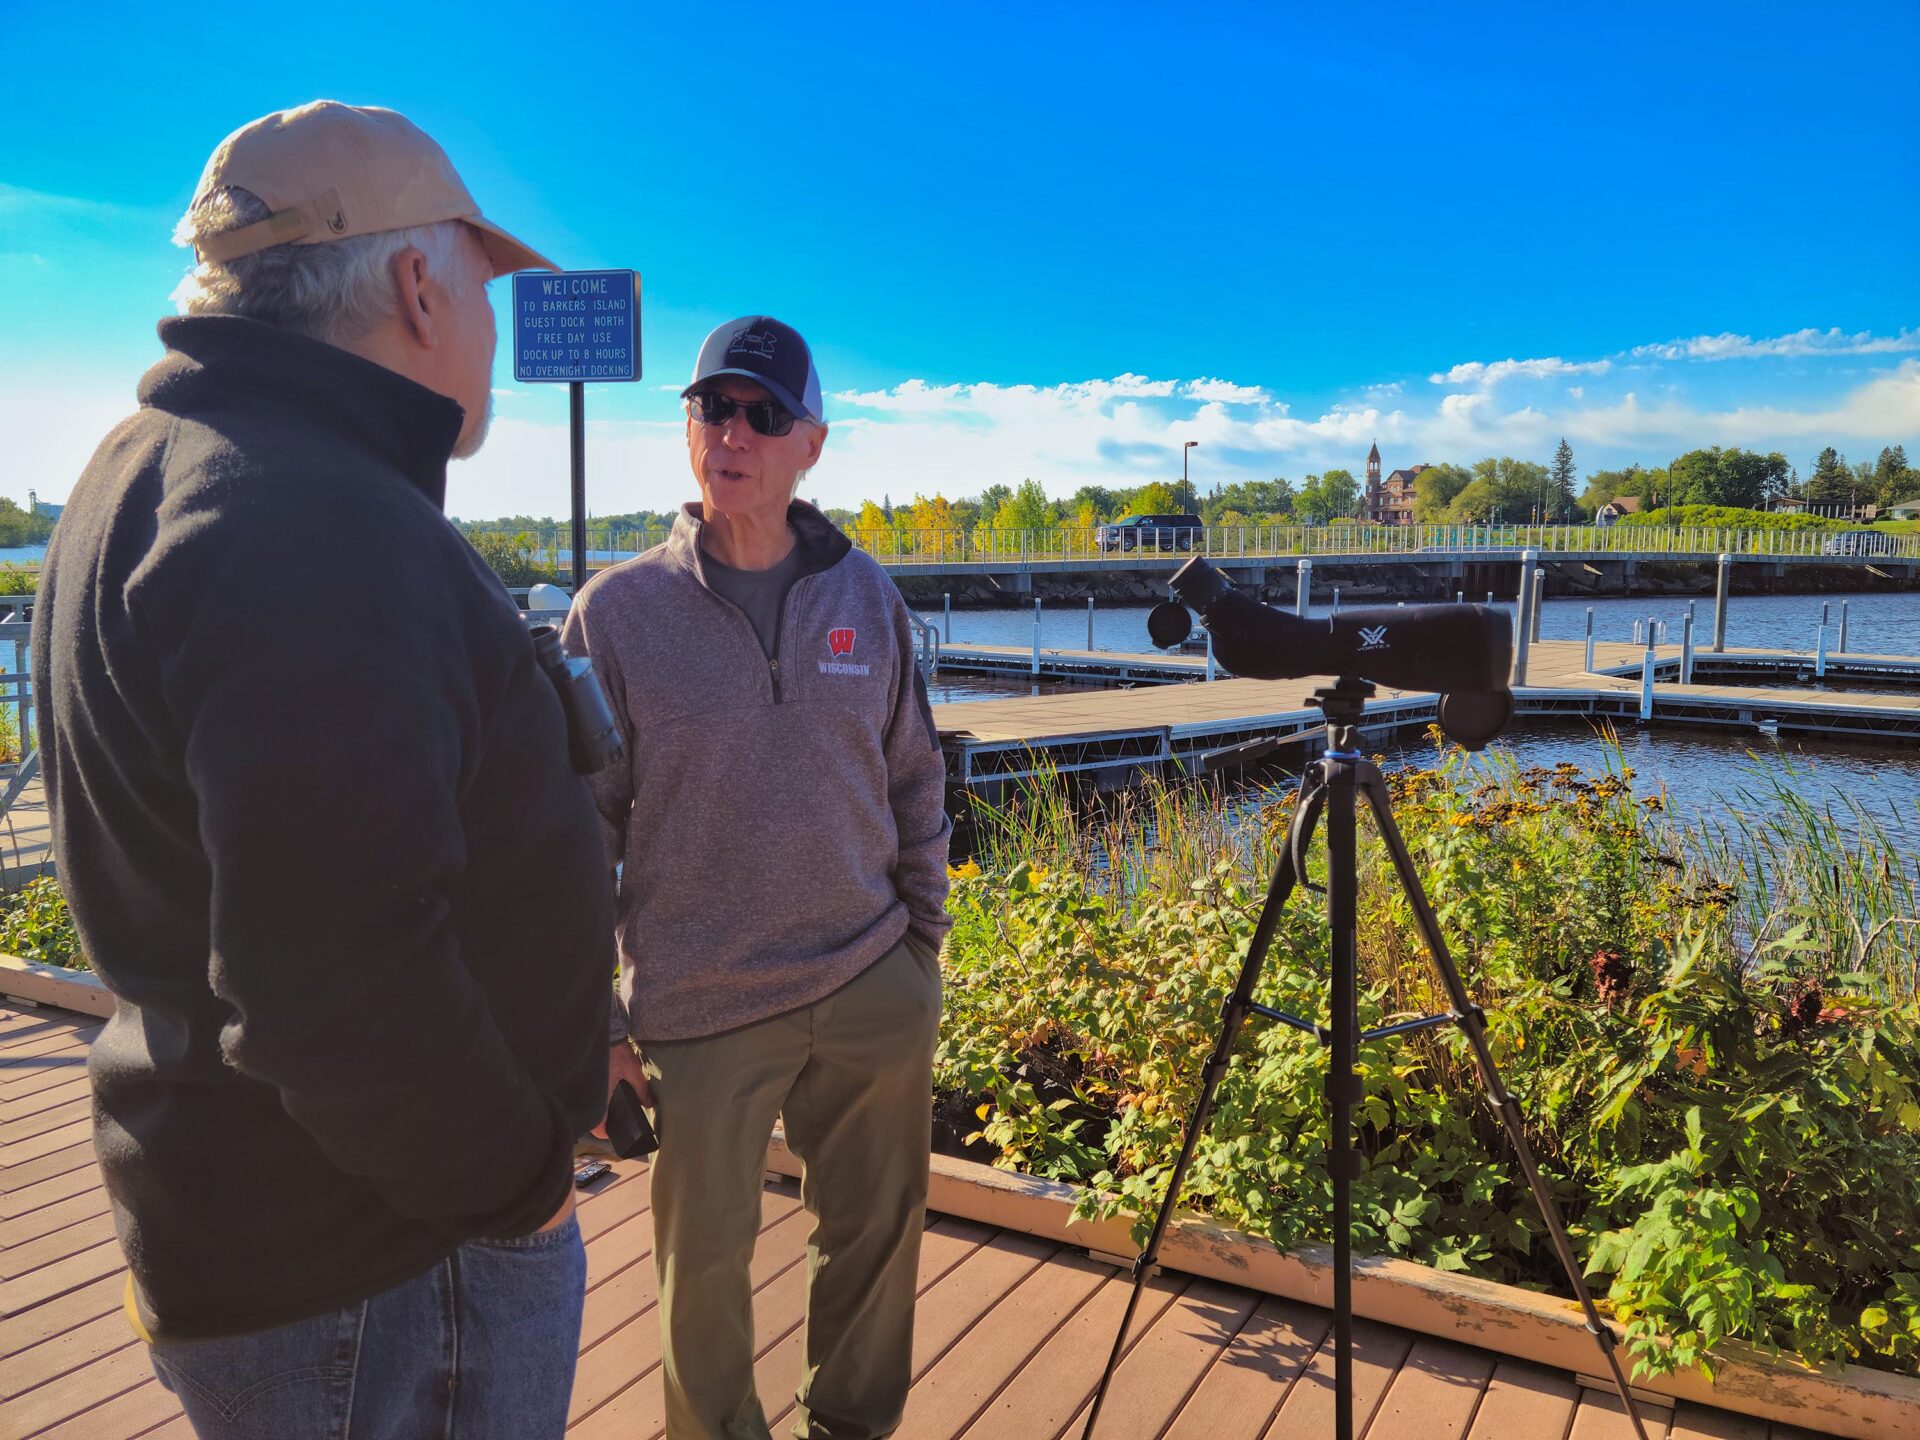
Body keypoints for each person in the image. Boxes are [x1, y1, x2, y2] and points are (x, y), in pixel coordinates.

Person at [30, 101, 615, 1439]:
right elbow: (333, 976)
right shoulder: (312, 520)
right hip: (386, 1260)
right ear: (418, 285)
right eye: (482, 288)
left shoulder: (152, 470)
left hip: (262, 1224)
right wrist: (525, 1189)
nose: (494, 331)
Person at [561, 316, 950, 1440]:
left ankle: (850, 1427)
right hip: (703, 1003)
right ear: (688, 428)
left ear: (811, 444)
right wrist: (600, 1023)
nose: (733, 431)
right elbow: (579, 832)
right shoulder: (616, 614)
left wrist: (921, 950)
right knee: (700, 1272)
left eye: (764, 414)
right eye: (712, 407)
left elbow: (915, 774)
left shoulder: (867, 596)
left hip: (871, 975)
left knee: (876, 1237)